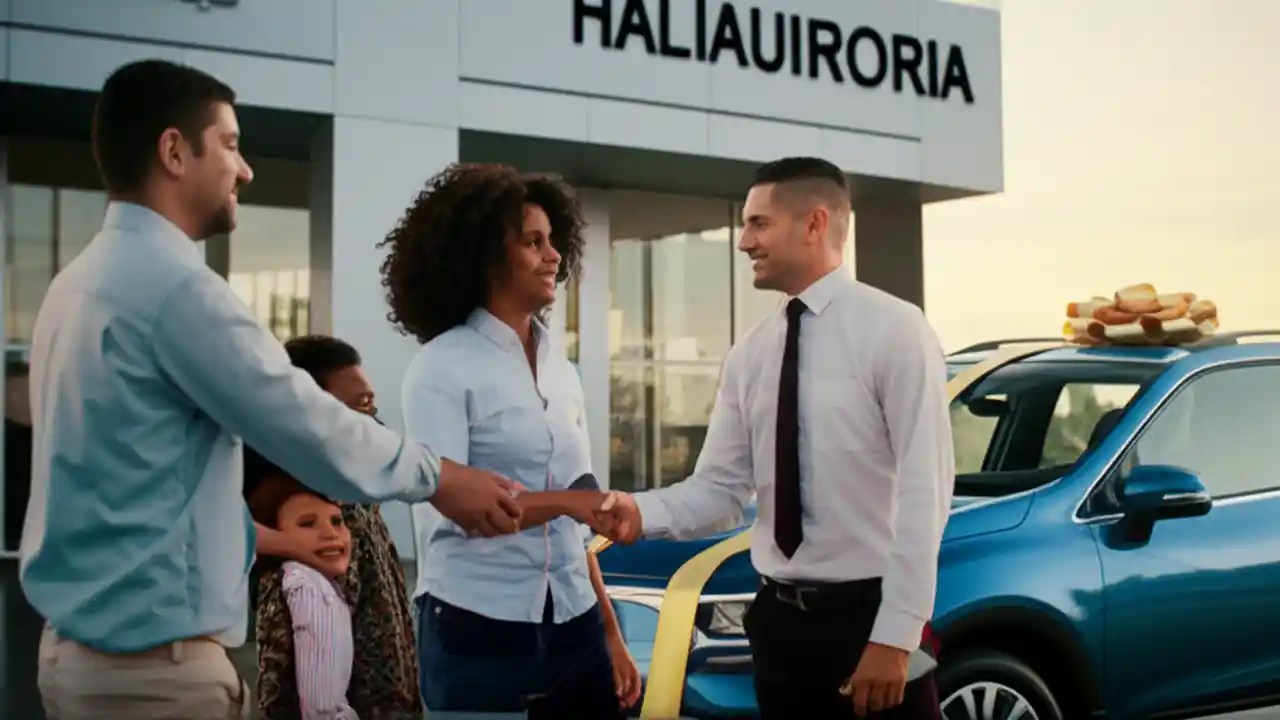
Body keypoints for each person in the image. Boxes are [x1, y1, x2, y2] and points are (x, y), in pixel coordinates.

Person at [19, 59, 521, 720]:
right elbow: (303, 419)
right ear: (175, 151)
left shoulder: (75, 286)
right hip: (150, 679)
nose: (245, 169)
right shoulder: (173, 289)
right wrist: (443, 478)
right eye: (228, 144)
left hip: (81, 662)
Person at [598, 157, 954, 719]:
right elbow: (719, 492)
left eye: (759, 223)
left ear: (814, 224)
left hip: (870, 622)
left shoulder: (897, 331)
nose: (743, 242)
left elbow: (925, 492)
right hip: (778, 629)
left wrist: (896, 635)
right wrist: (635, 511)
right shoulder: (751, 354)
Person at [381, 163, 642, 716]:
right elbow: (460, 509)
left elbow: (581, 515)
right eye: (533, 242)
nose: (554, 257)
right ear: (485, 255)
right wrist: (573, 503)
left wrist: (610, 632)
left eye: (554, 242)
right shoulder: (441, 367)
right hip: (477, 627)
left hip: (575, 623)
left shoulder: (560, 368)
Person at [252, 335, 422, 719]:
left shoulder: (354, 497)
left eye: (373, 404)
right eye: (359, 407)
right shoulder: (306, 518)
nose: (374, 423)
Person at [246, 450, 360, 720]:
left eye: (337, 521)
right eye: (307, 524)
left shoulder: (293, 582)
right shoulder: (310, 587)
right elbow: (323, 708)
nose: (330, 533)